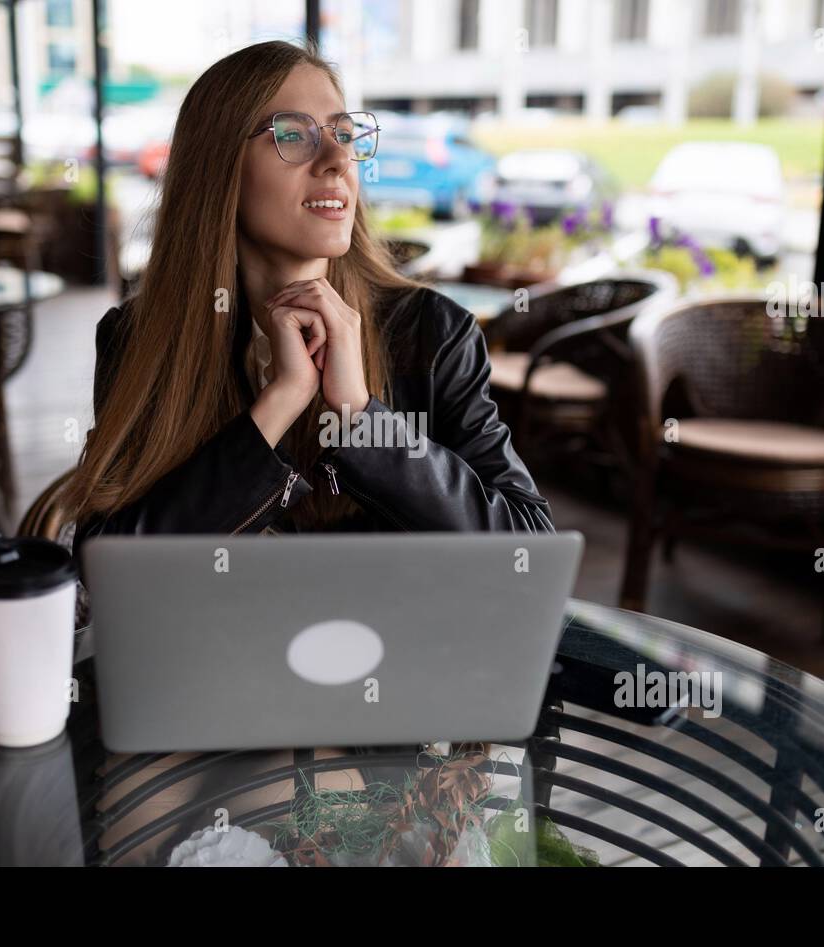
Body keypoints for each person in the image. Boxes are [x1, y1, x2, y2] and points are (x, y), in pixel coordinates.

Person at [62, 39, 553, 864]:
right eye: (291, 135)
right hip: (214, 678)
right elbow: (112, 564)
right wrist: (277, 405)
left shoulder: (430, 333)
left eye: (343, 134)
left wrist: (358, 418)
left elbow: (526, 550)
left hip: (399, 691)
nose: (334, 160)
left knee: (277, 798)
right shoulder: (140, 339)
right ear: (221, 166)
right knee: (125, 811)